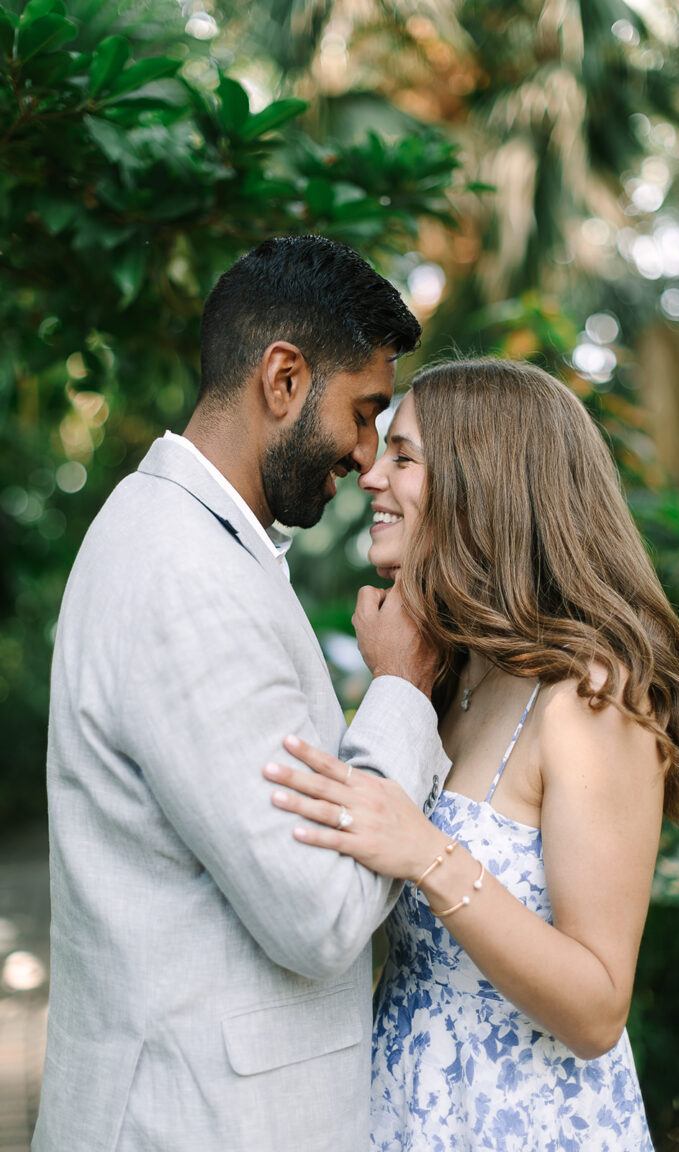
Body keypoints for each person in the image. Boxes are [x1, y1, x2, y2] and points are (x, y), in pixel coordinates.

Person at [33, 236, 451, 1152]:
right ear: (284, 378)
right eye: (365, 411)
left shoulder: (197, 542)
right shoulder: (185, 576)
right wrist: (402, 693)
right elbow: (318, 912)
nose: (368, 456)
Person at [263, 359, 679, 1151]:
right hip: (403, 1112)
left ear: (484, 483)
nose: (372, 475)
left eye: (404, 456)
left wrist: (426, 853)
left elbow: (596, 1008)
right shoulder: (450, 678)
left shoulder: (592, 701)